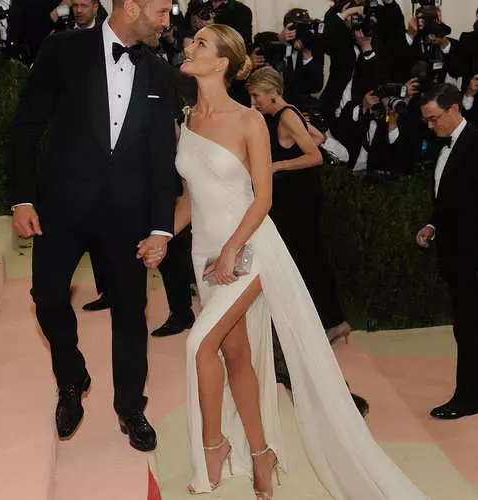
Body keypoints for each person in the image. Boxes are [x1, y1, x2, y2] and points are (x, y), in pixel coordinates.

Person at [139, 23, 427, 499]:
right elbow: (192, 198)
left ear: (222, 63)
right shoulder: (187, 119)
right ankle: (261, 454)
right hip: (204, 254)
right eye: (192, 42)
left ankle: (212, 449)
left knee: (197, 347)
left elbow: (262, 199)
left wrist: (232, 250)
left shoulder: (249, 121)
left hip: (251, 251)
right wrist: (164, 235)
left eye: (201, 44)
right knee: (236, 359)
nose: (189, 47)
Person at [7, 0, 178, 450]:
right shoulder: (63, 50)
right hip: (61, 210)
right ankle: (71, 376)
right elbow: (26, 127)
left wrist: (162, 227)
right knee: (46, 296)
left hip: (127, 217)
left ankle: (130, 407)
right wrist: (22, 198)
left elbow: (163, 158)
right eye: (161, 11)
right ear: (133, 6)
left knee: (131, 313)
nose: (167, 21)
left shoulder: (161, 73)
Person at [246, 66, 367, 416]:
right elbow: (314, 140)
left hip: (296, 202)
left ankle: (318, 325)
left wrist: (277, 166)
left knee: (301, 262)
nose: (253, 102)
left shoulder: (285, 115)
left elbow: (314, 156)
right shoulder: (289, 113)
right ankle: (334, 322)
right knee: (309, 260)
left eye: (256, 96)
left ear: (271, 92)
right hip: (294, 201)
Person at [416, 83, 478, 420]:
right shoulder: (448, 147)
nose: (430, 126)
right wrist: (433, 225)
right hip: (456, 254)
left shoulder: (475, 144)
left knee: (469, 328)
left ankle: (467, 398)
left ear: (454, 109)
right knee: (465, 326)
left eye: (433, 118)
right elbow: (452, 201)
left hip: (471, 257)